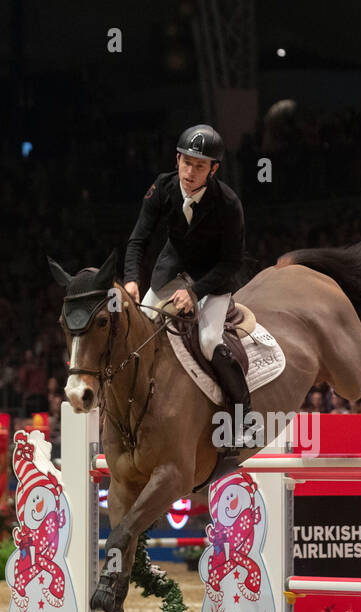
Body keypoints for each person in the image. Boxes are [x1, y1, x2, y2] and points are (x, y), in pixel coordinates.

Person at [122, 124, 252, 445]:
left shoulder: (228, 203)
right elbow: (138, 238)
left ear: (213, 169)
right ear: (177, 159)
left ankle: (242, 414)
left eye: (200, 166)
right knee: (139, 331)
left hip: (214, 275)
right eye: (186, 162)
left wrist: (195, 291)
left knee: (208, 340)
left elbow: (232, 263)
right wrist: (130, 281)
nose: (190, 172)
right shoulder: (162, 187)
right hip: (173, 268)